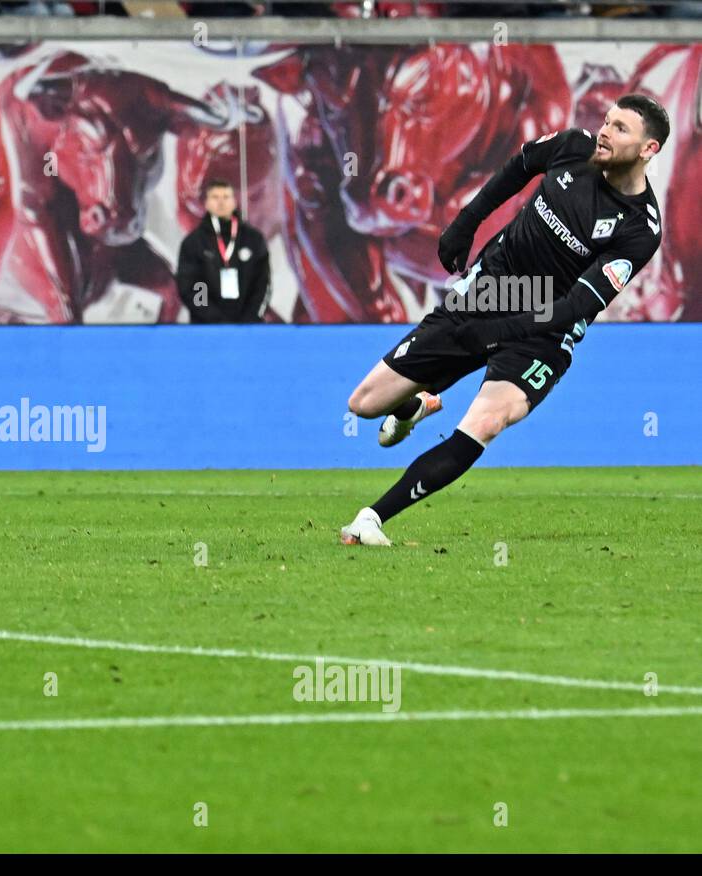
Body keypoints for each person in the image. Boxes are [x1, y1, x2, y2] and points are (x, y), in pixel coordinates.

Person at [339, 95, 668, 546]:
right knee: (364, 404)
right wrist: (465, 223)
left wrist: (495, 333)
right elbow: (517, 168)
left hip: (546, 327)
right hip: (492, 288)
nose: (606, 131)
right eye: (607, 121)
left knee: (488, 421)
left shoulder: (639, 229)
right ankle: (411, 406)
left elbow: (574, 307)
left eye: (621, 129)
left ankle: (370, 519)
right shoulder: (573, 145)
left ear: (649, 150)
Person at [175, 180, 270, 324]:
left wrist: (250, 316)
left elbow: (263, 282)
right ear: (206, 203)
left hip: (247, 326)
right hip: (206, 327)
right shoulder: (193, 243)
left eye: (226, 197)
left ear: (234, 202)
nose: (221, 202)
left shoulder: (253, 239)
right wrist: (212, 317)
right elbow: (189, 284)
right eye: (215, 197)